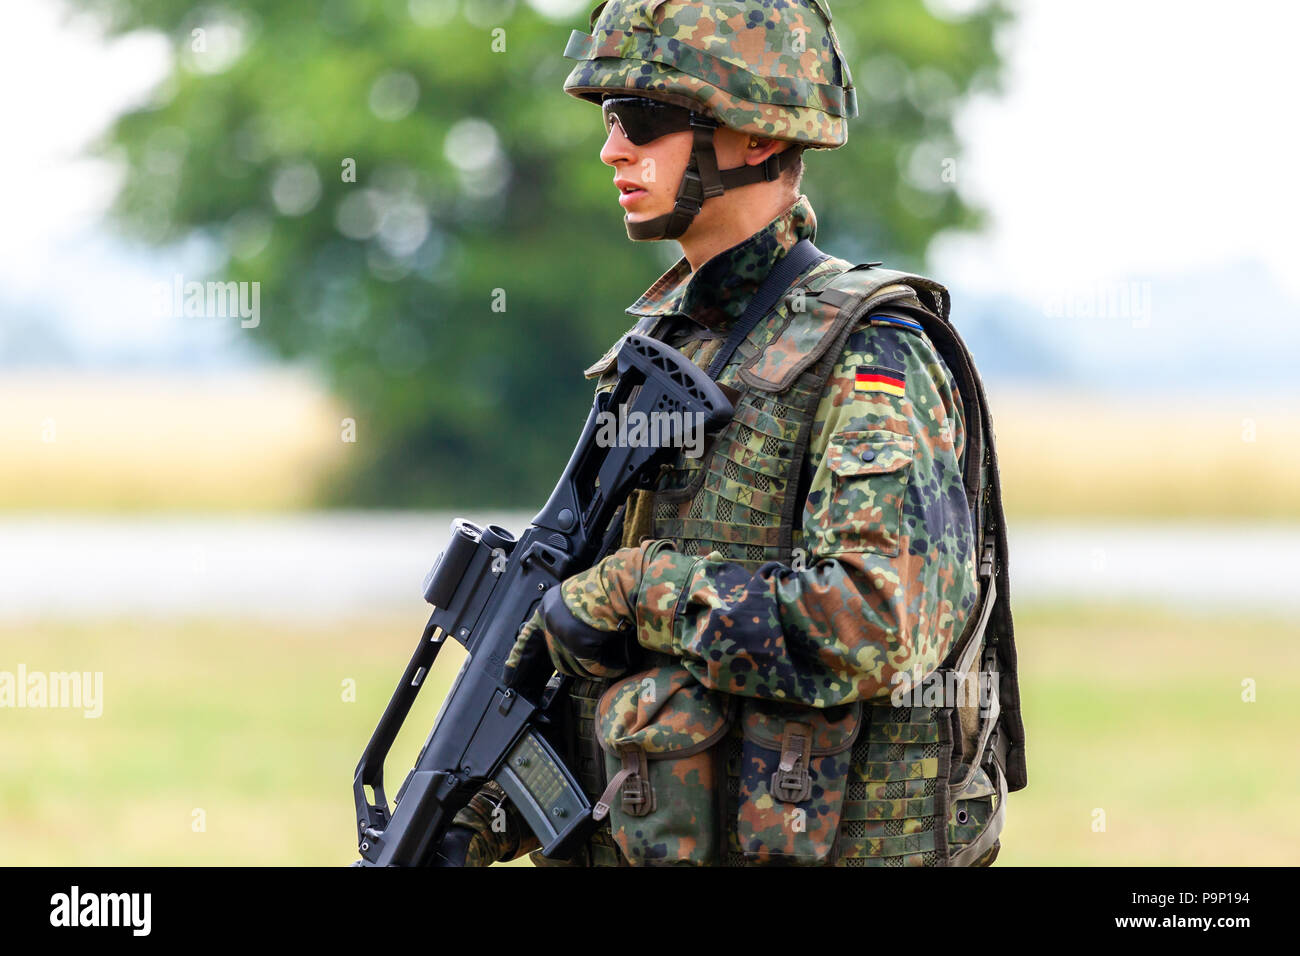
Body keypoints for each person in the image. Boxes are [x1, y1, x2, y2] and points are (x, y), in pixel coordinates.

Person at [441, 0, 1026, 867]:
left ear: (755, 137)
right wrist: (477, 817)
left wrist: (642, 589)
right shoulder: (671, 350)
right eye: (610, 119)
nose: (612, 149)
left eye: (643, 120)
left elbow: (875, 625)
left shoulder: (872, 352)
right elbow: (608, 673)